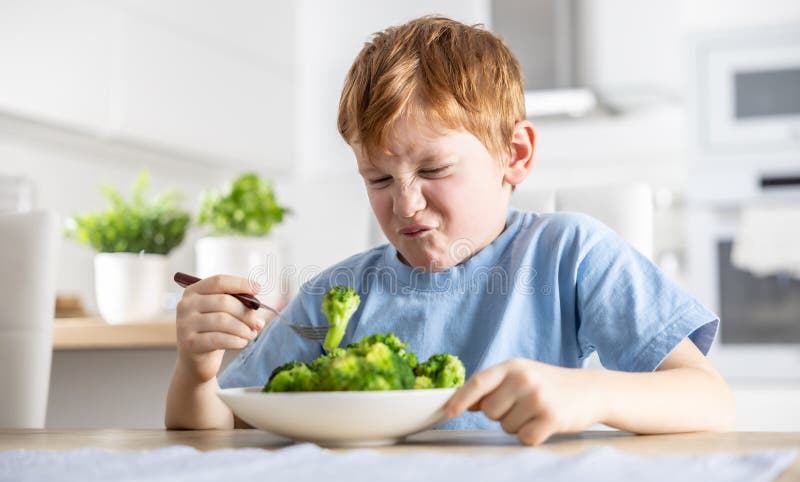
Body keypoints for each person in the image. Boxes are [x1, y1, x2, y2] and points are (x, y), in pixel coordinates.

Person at [166, 15, 734, 444]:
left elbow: (710, 399)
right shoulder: (332, 295)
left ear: (513, 155)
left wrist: (592, 393)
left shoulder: (571, 254)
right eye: (378, 178)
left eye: (433, 169)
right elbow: (222, 429)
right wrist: (196, 371)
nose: (406, 203)